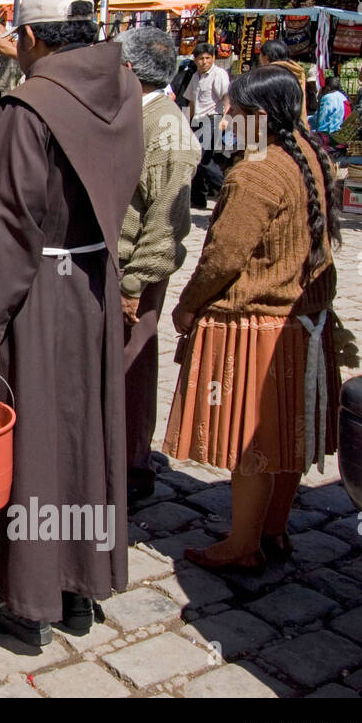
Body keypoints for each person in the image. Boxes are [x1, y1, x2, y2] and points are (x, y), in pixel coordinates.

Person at [0, 0, 144, 647]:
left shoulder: (31, 108)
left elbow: (8, 221)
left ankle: (30, 595)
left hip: (38, 292)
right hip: (92, 284)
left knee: (39, 442)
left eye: (19, 36)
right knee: (85, 436)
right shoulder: (127, 90)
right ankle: (79, 583)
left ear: (37, 36)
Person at [164, 64, 341, 573]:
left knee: (253, 444)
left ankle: (244, 545)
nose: (225, 118)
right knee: (286, 438)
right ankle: (272, 529)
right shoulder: (309, 153)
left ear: (259, 118)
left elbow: (223, 257)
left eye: (234, 112)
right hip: (305, 321)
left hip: (260, 325)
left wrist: (189, 304)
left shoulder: (256, 172)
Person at [116, 27, 203, 503]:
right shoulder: (137, 114)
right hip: (118, 268)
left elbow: (168, 220)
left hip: (135, 273)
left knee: (130, 371)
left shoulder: (166, 128)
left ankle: (131, 467)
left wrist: (136, 282)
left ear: (129, 71)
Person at [184, 43, 230, 206]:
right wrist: (187, 123)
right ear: (195, 60)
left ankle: (227, 190)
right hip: (197, 121)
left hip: (213, 119)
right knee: (196, 158)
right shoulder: (196, 77)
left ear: (213, 59)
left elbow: (226, 99)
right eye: (201, 59)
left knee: (202, 159)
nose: (204, 62)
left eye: (207, 58)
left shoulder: (219, 74)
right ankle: (197, 199)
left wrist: (225, 118)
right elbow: (191, 102)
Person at [259, 39, 309, 125]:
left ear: (266, 57)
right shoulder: (298, 72)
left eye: (260, 54)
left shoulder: (270, 75)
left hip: (275, 129)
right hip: (299, 126)